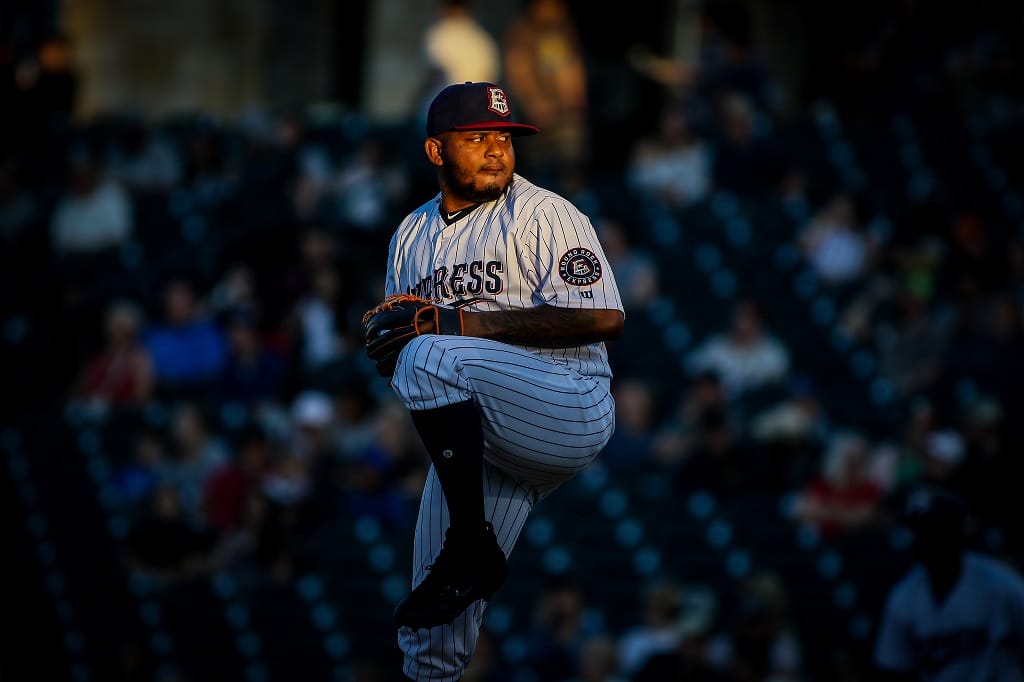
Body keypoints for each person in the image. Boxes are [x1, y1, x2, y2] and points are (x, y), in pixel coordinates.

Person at [362, 81, 624, 681]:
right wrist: (396, 350)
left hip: (569, 399)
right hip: (487, 440)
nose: (496, 150)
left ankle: (470, 543)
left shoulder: (544, 213)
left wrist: (457, 324)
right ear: (436, 152)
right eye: (476, 138)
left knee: (431, 352)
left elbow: (606, 317)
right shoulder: (410, 236)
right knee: (430, 634)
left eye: (504, 138)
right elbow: (406, 346)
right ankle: (468, 550)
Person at [872, 487, 1024, 681]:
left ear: (955, 532)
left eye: (934, 531)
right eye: (919, 532)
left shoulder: (1001, 586)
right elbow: (893, 668)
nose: (925, 540)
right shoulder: (904, 596)